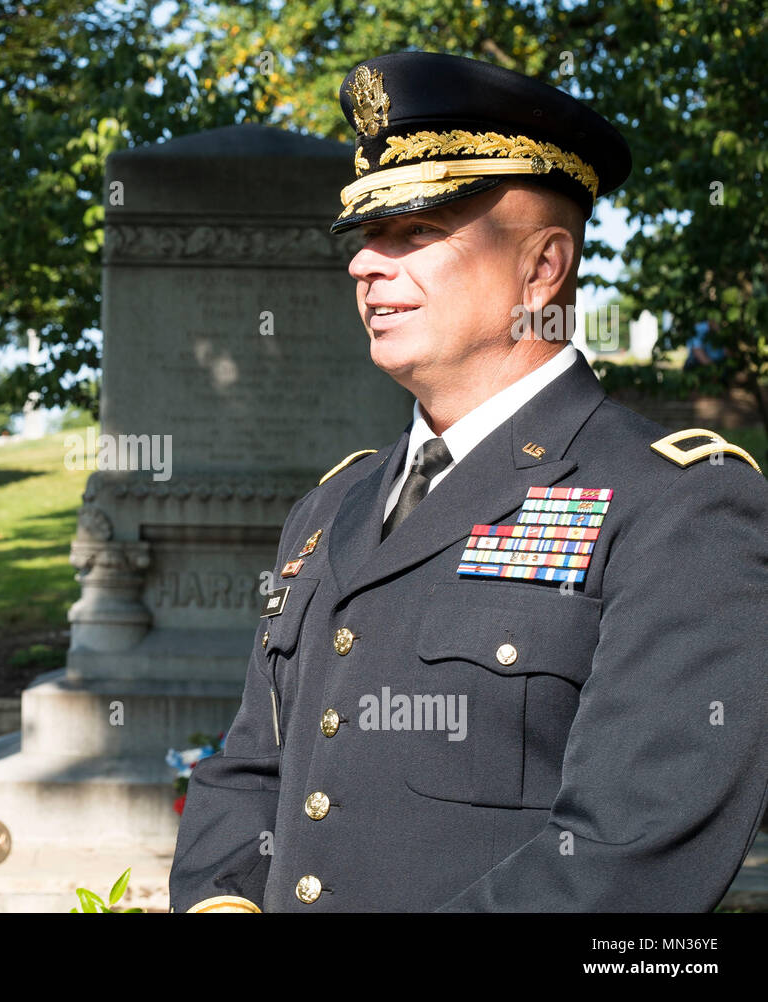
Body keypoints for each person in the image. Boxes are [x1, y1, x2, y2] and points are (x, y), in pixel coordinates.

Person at [169, 50, 768, 913]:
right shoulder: (330, 506)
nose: (366, 266)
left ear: (542, 269)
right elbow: (247, 769)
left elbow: (628, 856)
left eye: (414, 233)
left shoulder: (682, 506)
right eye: (366, 237)